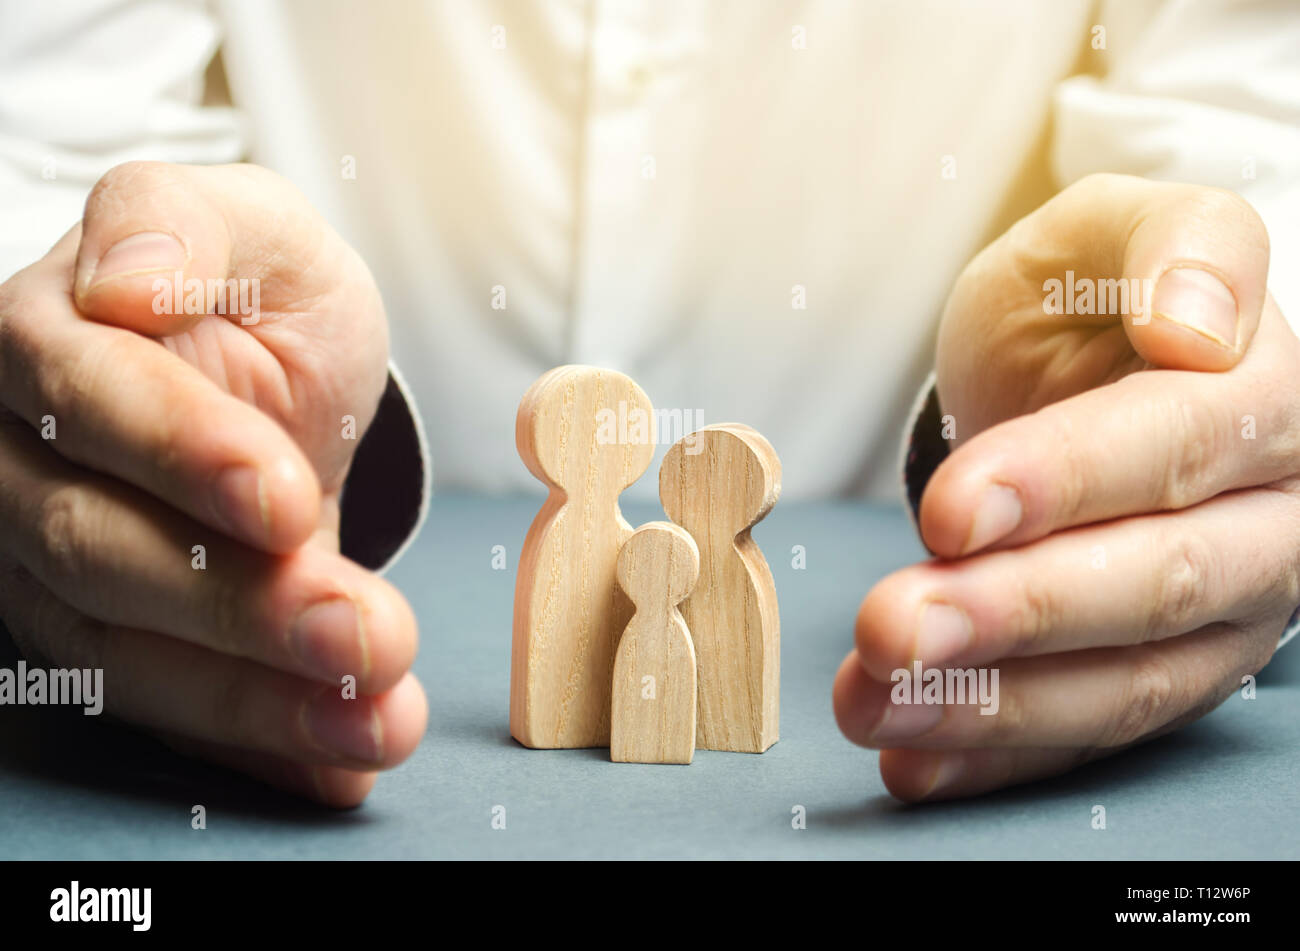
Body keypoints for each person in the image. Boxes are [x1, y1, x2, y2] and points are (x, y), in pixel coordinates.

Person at [1, 0, 1297, 807]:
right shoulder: (598, 545)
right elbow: (47, 143)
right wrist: (115, 375)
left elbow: (1252, 135)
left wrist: (1197, 408)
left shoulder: (706, 567)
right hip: (284, 563)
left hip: (937, 489)